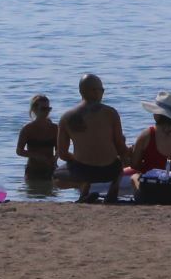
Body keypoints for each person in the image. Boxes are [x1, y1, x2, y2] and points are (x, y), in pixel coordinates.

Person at [55, 74, 130, 202]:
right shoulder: (110, 113)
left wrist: (78, 159)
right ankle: (113, 191)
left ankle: (83, 189)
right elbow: (120, 147)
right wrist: (130, 153)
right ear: (94, 91)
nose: (103, 93)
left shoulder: (66, 117)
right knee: (121, 158)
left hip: (83, 171)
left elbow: (62, 154)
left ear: (81, 91)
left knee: (56, 177)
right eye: (102, 90)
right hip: (110, 171)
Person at [15, 94, 58, 181]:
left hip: (50, 169)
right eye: (43, 109)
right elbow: (19, 151)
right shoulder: (27, 129)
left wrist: (55, 158)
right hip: (33, 170)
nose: (46, 111)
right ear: (34, 110)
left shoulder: (55, 128)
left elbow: (59, 149)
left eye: (48, 109)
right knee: (33, 189)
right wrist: (36, 155)